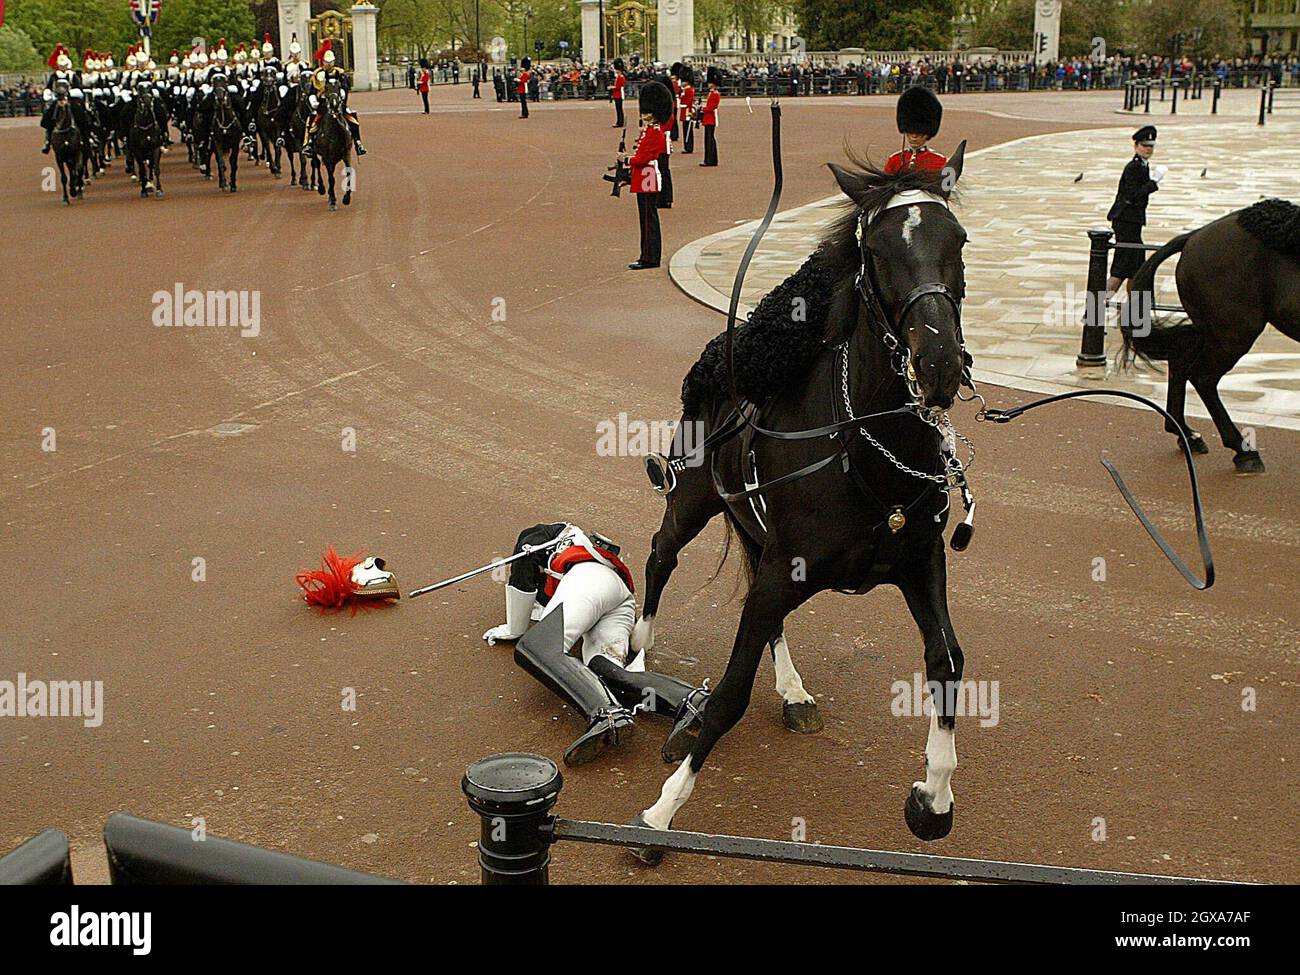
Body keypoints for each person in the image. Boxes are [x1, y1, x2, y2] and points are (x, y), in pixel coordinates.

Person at [482, 522, 708, 767]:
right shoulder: (578, 549)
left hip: (588, 580)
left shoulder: (541, 535)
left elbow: (523, 572)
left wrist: (513, 628)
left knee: (537, 647)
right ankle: (690, 701)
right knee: (606, 673)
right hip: (619, 598)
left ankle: (607, 715)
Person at [1106, 125, 1166, 295]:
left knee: (1136, 269)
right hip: (1126, 221)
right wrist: (1154, 182)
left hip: (1133, 221)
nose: (1148, 149)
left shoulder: (1143, 165)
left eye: (1151, 146)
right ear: (1136, 146)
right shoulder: (1134, 167)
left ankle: (1133, 308)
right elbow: (1133, 195)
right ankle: (1095, 309)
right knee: (1121, 267)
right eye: (1144, 145)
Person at [620, 79, 673, 270]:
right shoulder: (650, 130)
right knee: (646, 218)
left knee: (648, 218)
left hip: (647, 177)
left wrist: (626, 160)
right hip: (644, 176)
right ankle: (647, 255)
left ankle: (650, 257)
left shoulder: (654, 132)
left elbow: (642, 158)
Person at [884, 86, 947, 175]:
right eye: (910, 132)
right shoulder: (894, 160)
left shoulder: (939, 161)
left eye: (919, 133)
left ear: (927, 134)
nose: (914, 136)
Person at [700, 66, 721, 167]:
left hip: (710, 119)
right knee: (709, 139)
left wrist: (702, 109)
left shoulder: (715, 94)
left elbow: (711, 107)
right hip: (708, 119)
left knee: (710, 139)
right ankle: (710, 159)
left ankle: (710, 160)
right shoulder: (711, 93)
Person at [679, 66, 696, 154]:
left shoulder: (689, 90)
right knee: (685, 130)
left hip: (687, 112)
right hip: (684, 111)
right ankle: (687, 146)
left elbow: (689, 102)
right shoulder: (685, 90)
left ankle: (689, 147)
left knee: (688, 130)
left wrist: (689, 113)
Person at [610, 58, 626, 127]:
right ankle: (619, 121)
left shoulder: (620, 77)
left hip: (618, 95)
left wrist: (612, 88)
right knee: (618, 109)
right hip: (617, 94)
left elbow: (618, 87)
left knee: (619, 109)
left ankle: (620, 122)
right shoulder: (619, 76)